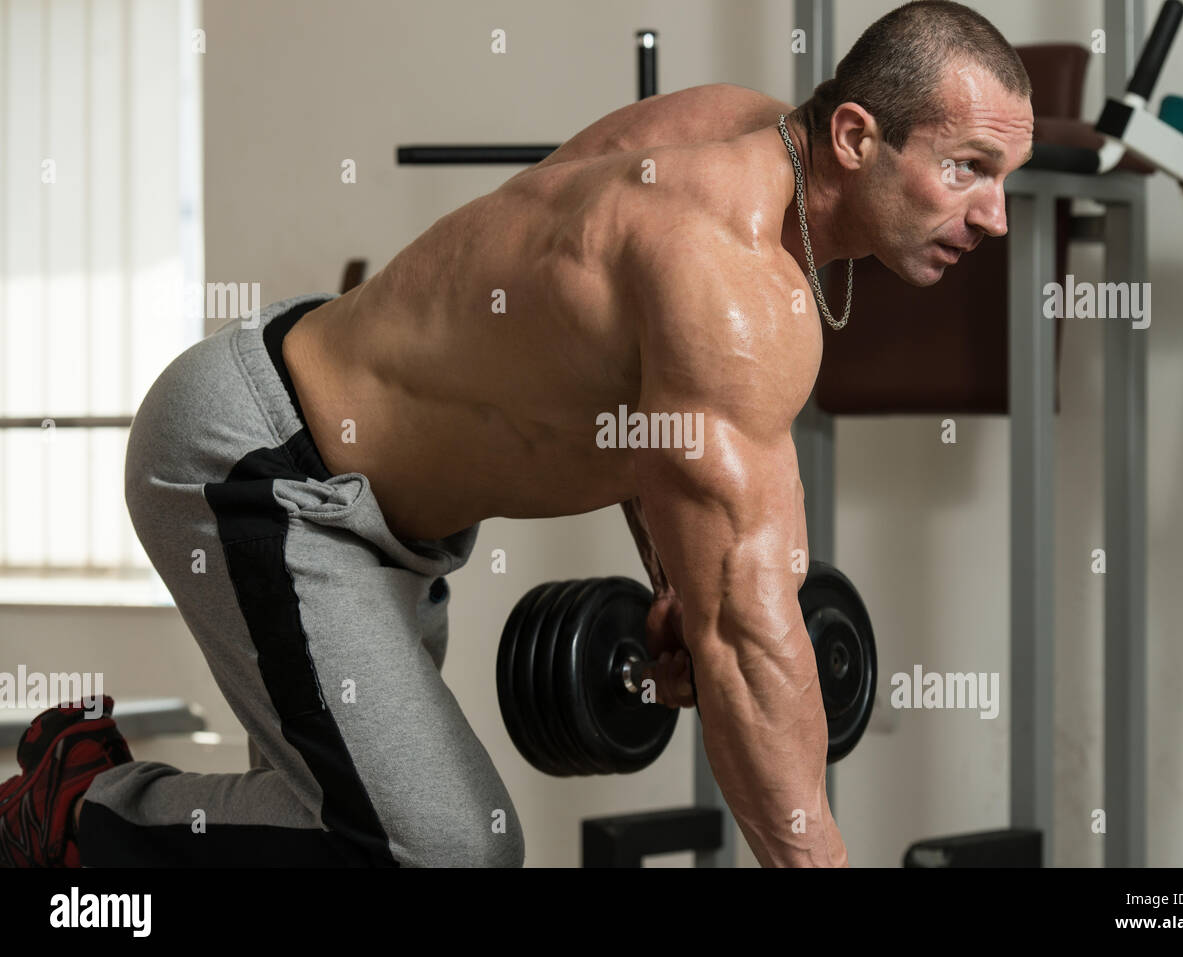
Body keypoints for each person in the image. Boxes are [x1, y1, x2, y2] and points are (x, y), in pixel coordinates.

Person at [1, 0, 1032, 868]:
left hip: (384, 517)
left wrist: (674, 587)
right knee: (447, 851)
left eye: (1005, 179)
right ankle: (77, 805)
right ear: (855, 138)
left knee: (337, 810)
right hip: (261, 467)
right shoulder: (736, 292)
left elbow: (635, 403)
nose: (993, 216)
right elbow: (754, 640)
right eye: (967, 170)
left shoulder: (728, 128)